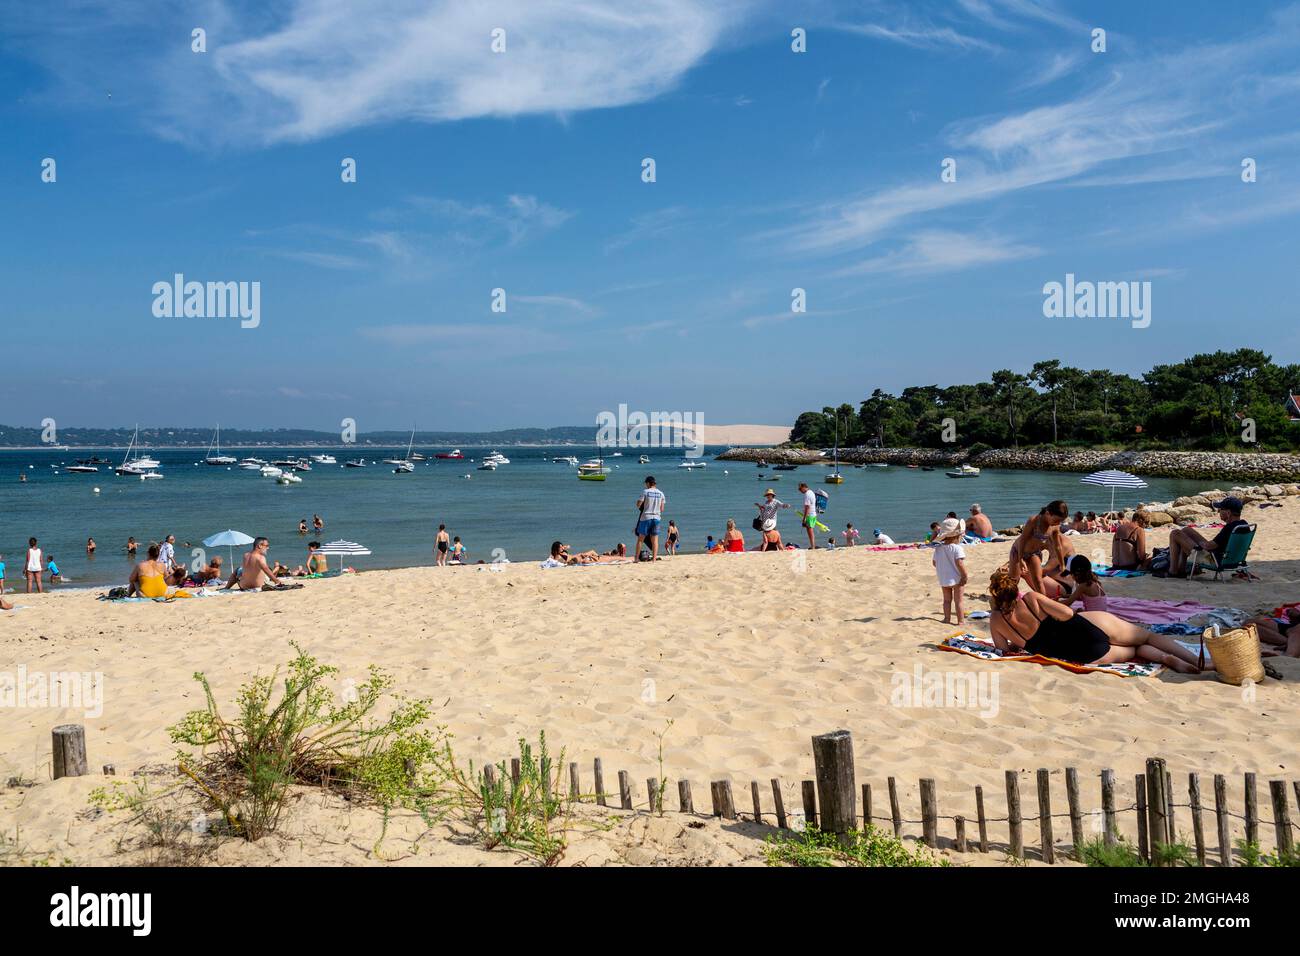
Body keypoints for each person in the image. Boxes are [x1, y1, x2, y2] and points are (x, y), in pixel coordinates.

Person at [987, 567, 1207, 673]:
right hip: (1086, 628)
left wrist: (1018, 637)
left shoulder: (996, 620)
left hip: (1083, 654)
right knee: (1147, 636)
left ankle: (1165, 658)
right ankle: (1199, 662)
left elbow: (1002, 649)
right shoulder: (1032, 598)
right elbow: (1067, 615)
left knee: (1137, 650)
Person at [1167, 497, 1249, 577]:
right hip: (1232, 560)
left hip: (1214, 560)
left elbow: (1209, 546)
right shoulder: (1244, 524)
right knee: (1186, 530)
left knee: (1175, 533)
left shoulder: (1229, 528)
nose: (1219, 511)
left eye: (1220, 509)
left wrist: (1199, 543)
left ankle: (1173, 572)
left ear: (1228, 513)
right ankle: (1181, 569)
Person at [1008, 500, 1069, 595]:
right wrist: (1020, 560)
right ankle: (1009, 601)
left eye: (1060, 521)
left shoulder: (1055, 526)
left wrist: (1062, 564)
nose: (1058, 523)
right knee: (1014, 580)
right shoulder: (1034, 521)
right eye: (1056, 520)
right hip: (1018, 551)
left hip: (1034, 553)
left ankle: (1043, 603)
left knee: (1038, 580)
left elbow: (1057, 546)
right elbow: (1023, 540)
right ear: (1048, 513)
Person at [931, 518, 967, 624]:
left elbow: (934, 563)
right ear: (957, 536)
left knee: (946, 601)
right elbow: (959, 563)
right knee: (958, 601)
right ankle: (960, 621)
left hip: (944, 578)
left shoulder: (938, 548)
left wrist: (943, 568)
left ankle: (947, 619)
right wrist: (964, 576)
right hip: (957, 579)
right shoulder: (957, 548)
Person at [633, 476, 666, 561]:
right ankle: (654, 559)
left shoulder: (645, 492)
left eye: (646, 484)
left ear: (648, 483)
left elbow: (638, 504)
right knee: (655, 540)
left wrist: (641, 504)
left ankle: (636, 558)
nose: (645, 485)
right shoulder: (661, 493)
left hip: (646, 517)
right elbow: (662, 509)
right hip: (657, 518)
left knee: (640, 539)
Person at [798, 482, 817, 549]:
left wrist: (804, 519)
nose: (800, 491)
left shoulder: (807, 494)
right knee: (810, 530)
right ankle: (813, 545)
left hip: (810, 515)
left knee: (810, 531)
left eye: (800, 489)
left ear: (804, 487)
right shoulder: (811, 492)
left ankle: (812, 546)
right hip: (813, 513)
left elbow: (807, 507)